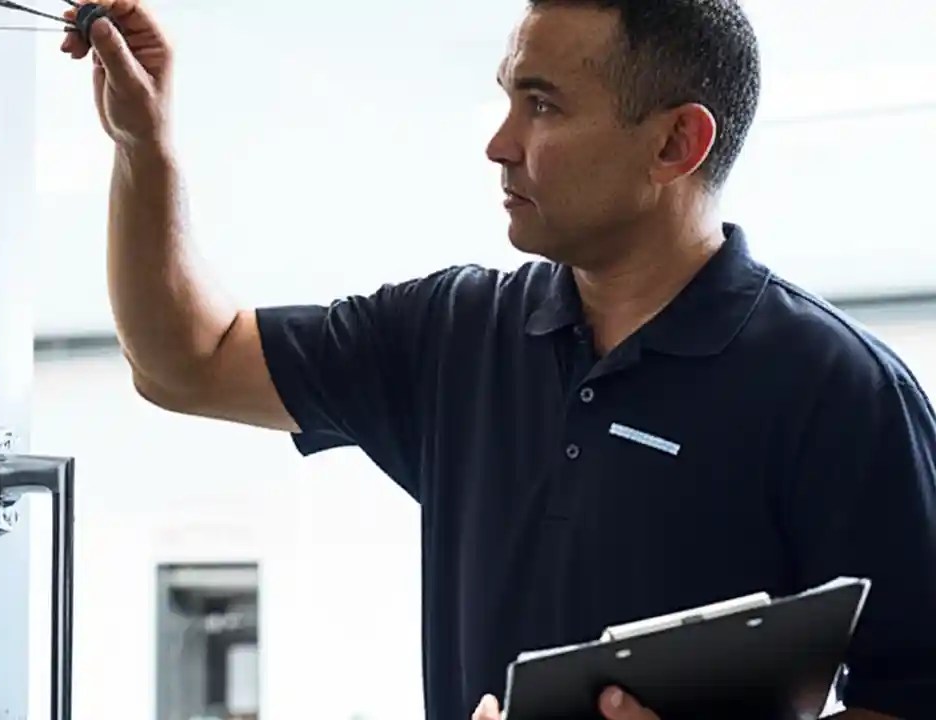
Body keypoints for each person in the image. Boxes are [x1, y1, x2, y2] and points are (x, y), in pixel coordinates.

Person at [61, 0, 936, 718]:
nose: (500, 142)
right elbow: (187, 360)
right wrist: (144, 143)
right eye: (509, 98)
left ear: (675, 145)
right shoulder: (456, 331)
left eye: (543, 105)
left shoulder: (840, 391)